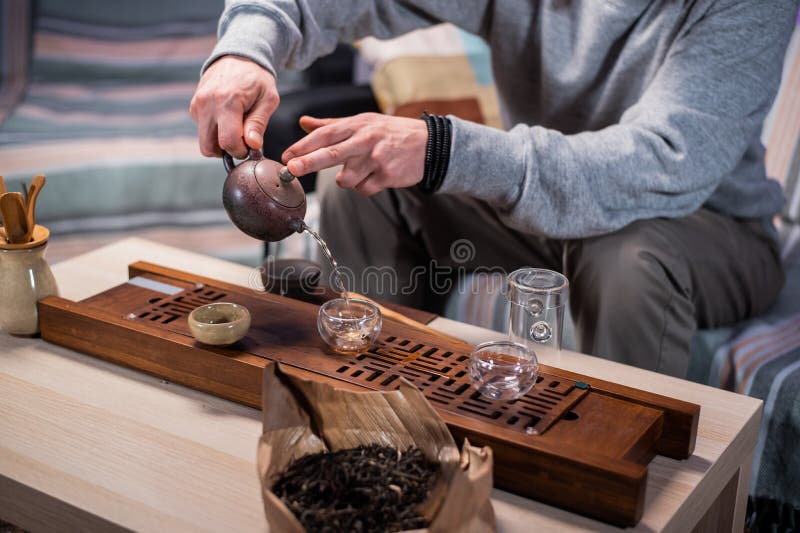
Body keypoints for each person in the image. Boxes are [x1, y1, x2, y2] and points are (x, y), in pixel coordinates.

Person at [190, 1, 797, 378]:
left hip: (704, 226)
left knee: (621, 257)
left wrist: (444, 149)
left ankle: (608, 483)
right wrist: (249, 45)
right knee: (363, 180)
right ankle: (385, 411)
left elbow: (664, 161)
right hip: (548, 209)